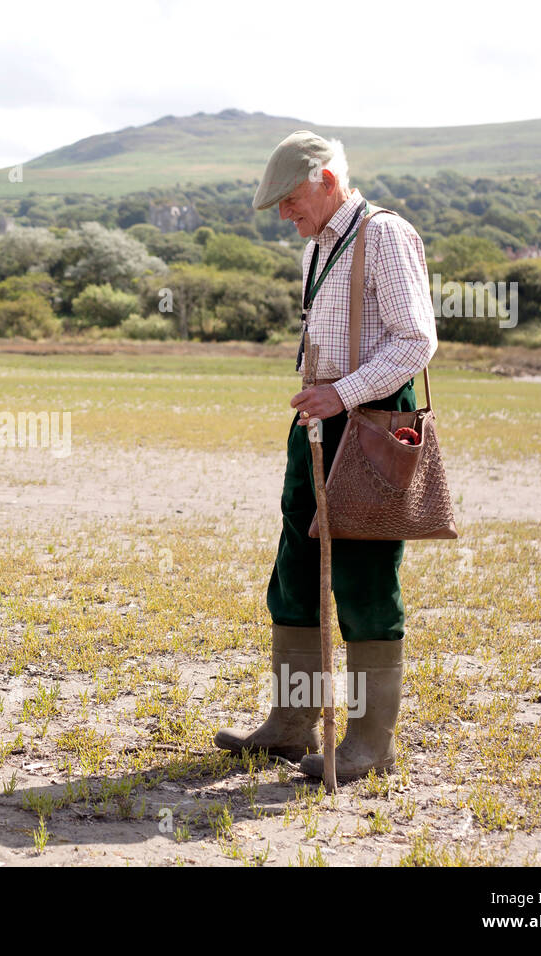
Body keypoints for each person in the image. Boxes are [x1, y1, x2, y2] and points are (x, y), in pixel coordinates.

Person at [214, 130, 438, 781]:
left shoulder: (384, 235)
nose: (285, 214)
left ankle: (370, 743)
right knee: (297, 570)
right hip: (318, 421)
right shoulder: (320, 246)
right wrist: (324, 400)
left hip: (368, 426)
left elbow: (415, 342)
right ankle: (290, 724)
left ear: (327, 180)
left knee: (365, 578)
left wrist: (340, 395)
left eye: (290, 199)